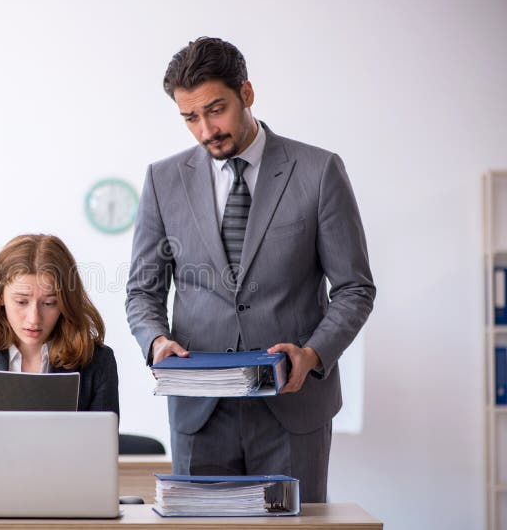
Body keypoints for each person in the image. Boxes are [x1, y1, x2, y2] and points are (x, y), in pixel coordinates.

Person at [125, 37, 375, 502]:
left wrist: (313, 354)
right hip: (200, 410)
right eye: (189, 118)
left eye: (215, 110)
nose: (204, 130)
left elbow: (355, 288)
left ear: (247, 93)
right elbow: (142, 291)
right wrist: (156, 340)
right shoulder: (163, 180)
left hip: (292, 404)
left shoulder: (318, 171)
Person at [0, 234, 119, 496]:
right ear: (0, 296)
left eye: (49, 303)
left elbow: (100, 466)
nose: (34, 318)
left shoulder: (96, 362)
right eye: (21, 301)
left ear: (65, 303)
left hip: (65, 510)